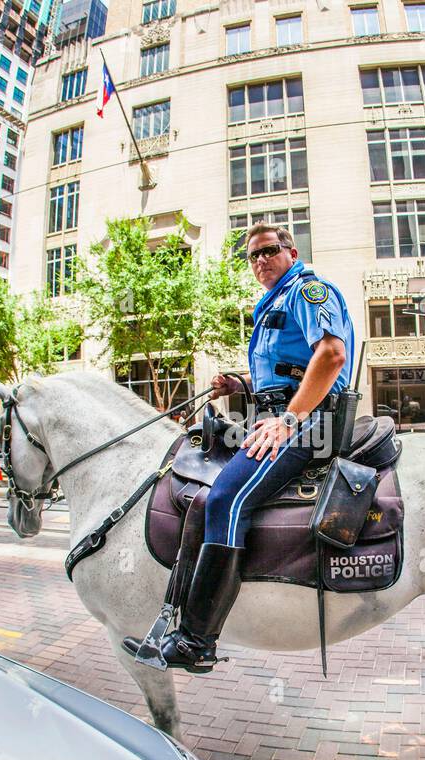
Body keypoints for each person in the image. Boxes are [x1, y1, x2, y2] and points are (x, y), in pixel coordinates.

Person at [124, 222, 355, 673]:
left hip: (310, 423)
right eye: (252, 256)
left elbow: (330, 356)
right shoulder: (272, 302)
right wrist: (241, 383)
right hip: (279, 416)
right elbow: (290, 372)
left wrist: (289, 421)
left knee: (226, 498)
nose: (260, 261)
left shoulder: (307, 292)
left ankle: (196, 641)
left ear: (290, 251)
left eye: (268, 251)